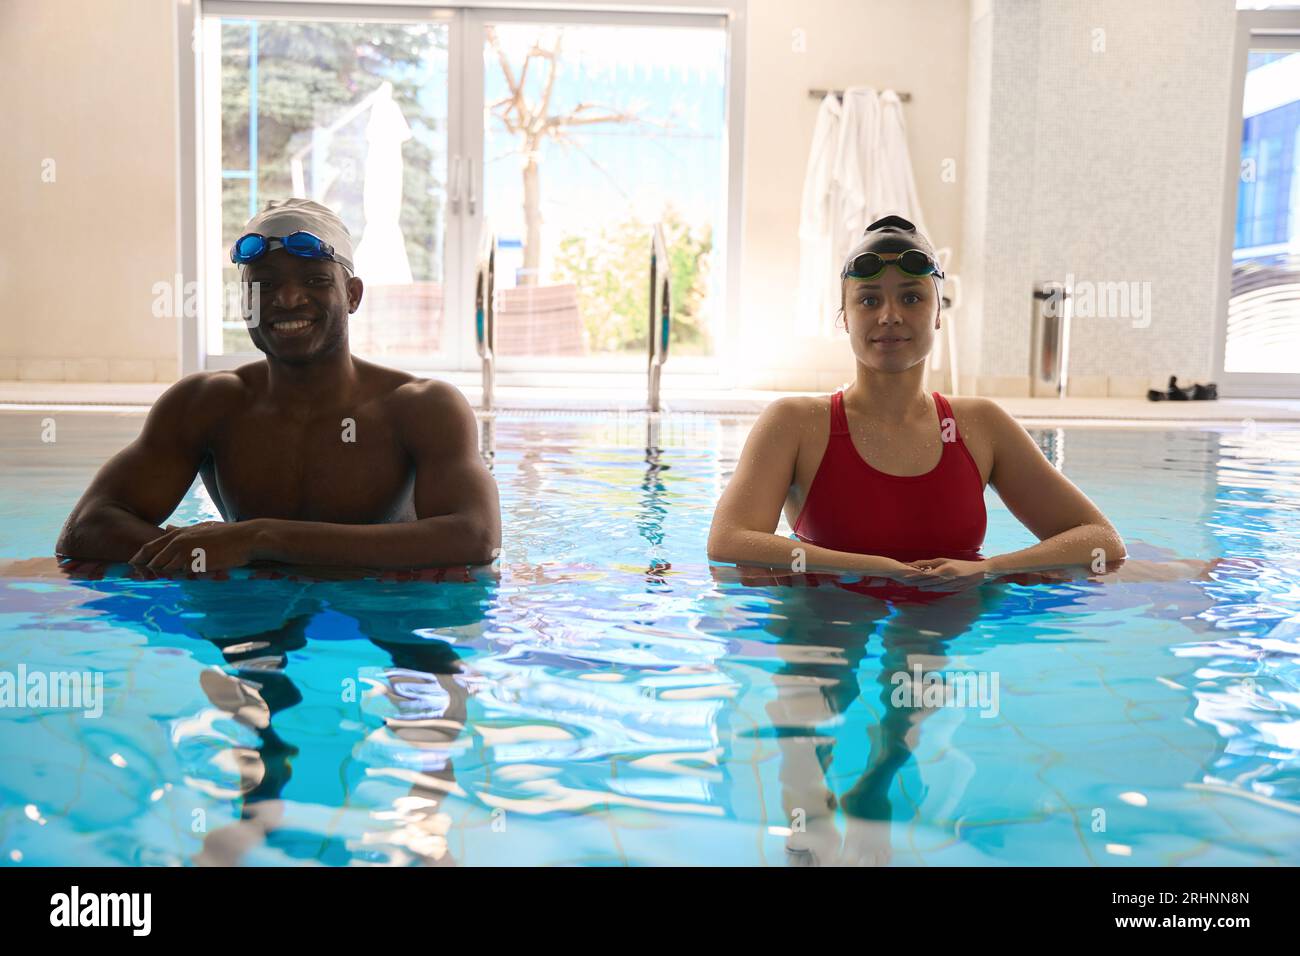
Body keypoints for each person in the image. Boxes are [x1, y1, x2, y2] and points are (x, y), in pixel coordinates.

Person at [56, 198, 500, 572]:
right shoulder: (205, 404)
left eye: (314, 281)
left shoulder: (421, 407)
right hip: (252, 615)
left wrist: (257, 540)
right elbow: (85, 528)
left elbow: (476, 535)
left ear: (352, 295)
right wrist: (198, 556)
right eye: (264, 284)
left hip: (380, 620)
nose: (287, 299)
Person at [707, 214, 1125, 599]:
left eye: (911, 298)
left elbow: (1100, 541)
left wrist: (992, 569)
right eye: (869, 300)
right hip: (824, 621)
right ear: (845, 318)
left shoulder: (981, 425)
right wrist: (873, 569)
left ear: (938, 313)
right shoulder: (796, 423)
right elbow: (728, 541)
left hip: (943, 622)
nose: (889, 315)